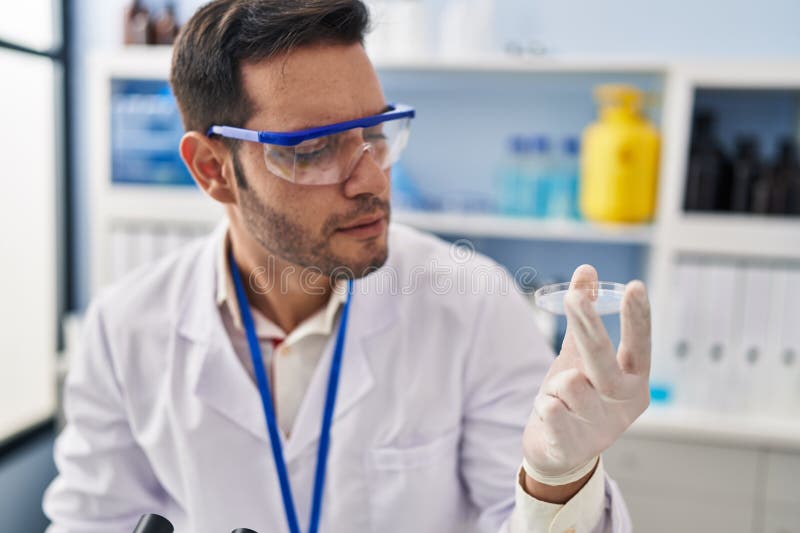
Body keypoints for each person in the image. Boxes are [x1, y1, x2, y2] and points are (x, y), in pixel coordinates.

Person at [44, 1, 652, 532]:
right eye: (311, 150)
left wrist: (557, 480)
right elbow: (90, 520)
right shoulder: (122, 329)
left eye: (376, 132)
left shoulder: (474, 303)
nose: (370, 178)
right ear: (212, 168)